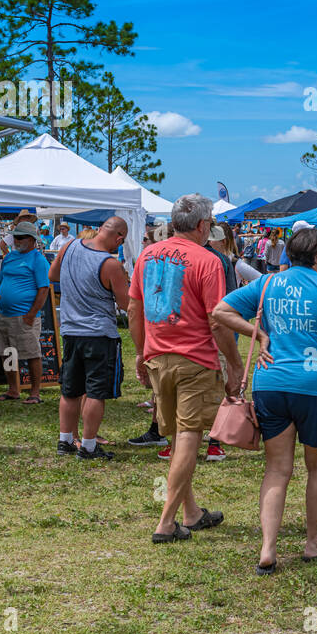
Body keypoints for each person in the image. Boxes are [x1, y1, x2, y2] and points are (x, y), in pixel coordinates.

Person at [213, 226, 317, 573]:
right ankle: (313, 542)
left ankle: (267, 549)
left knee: (277, 469)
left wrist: (258, 334)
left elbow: (220, 312)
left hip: (271, 383)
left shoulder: (267, 283)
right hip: (316, 385)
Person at [129, 194, 243, 542]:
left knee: (179, 437)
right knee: (190, 436)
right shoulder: (208, 260)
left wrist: (139, 352)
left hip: (157, 356)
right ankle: (165, 523)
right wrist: (235, 365)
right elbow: (218, 321)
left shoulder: (147, 254)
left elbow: (135, 309)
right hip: (194, 358)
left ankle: (190, 512)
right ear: (203, 225)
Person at [51, 216, 130, 458]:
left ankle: (65, 440)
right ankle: (88, 445)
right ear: (119, 238)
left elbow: (53, 275)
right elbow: (126, 304)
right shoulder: (110, 264)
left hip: (71, 330)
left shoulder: (69, 246)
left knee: (70, 389)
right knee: (96, 392)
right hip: (99, 334)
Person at [0, 221, 50, 404]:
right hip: (3, 314)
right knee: (8, 352)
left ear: (32, 239)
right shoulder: (9, 258)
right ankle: (13, 389)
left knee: (32, 354)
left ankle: (35, 392)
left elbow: (44, 289)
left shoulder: (38, 259)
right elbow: (0, 282)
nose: (16, 240)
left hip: (24, 315)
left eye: (20, 237)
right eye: (15, 236)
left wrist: (31, 314)